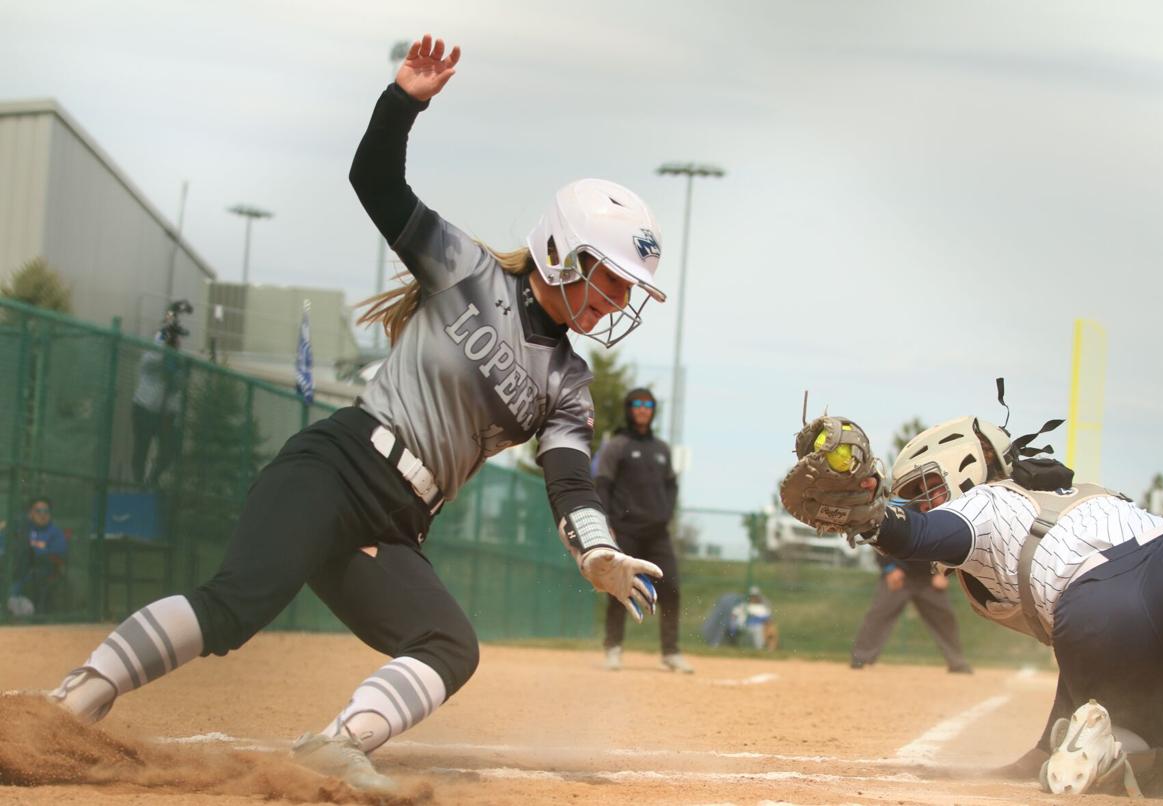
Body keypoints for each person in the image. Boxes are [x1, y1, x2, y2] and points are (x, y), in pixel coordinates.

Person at [46, 34, 667, 794]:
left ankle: (335, 746)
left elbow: (569, 481)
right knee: (237, 607)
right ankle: (72, 702)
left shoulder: (568, 381)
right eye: (613, 279)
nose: (620, 302)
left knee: (450, 645)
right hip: (338, 465)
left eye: (629, 290)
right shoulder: (465, 269)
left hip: (395, 520)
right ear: (564, 252)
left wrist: (595, 552)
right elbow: (373, 178)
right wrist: (403, 101)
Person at [865, 415, 1163, 795]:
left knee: (1139, 769)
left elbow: (915, 534)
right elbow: (1078, 669)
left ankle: (1109, 750)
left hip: (1100, 604)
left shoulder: (982, 499)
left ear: (964, 467)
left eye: (928, 489)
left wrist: (864, 514)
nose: (924, 505)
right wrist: (1041, 751)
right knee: (1148, 768)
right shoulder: (1085, 494)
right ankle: (1097, 750)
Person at [594, 388, 692, 673]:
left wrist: (666, 514)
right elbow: (603, 483)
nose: (642, 408)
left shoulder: (661, 449)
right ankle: (613, 648)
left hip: (657, 533)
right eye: (636, 404)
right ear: (629, 408)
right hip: (625, 531)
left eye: (648, 404)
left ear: (653, 410)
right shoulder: (617, 445)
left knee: (671, 589)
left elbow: (671, 485)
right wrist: (607, 523)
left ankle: (670, 653)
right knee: (620, 589)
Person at [849, 550, 971, 673]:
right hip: (898, 575)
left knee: (944, 619)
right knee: (879, 615)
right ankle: (861, 657)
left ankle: (957, 662)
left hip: (930, 578)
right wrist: (889, 569)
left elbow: (948, 544)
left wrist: (943, 571)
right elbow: (879, 541)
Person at [131, 301, 190, 486]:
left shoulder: (178, 361)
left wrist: (177, 366)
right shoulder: (153, 353)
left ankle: (152, 479)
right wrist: (166, 344)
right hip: (144, 407)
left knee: (170, 449)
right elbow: (152, 360)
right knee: (142, 447)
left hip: (165, 413)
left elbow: (178, 386)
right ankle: (138, 484)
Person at [0, 497, 68, 617]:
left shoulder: (55, 532)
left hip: (43, 570)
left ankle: (12, 603)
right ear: (30, 513)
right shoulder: (22, 529)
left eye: (46, 511)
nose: (43, 515)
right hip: (17, 569)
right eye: (38, 511)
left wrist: (34, 549)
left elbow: (58, 552)